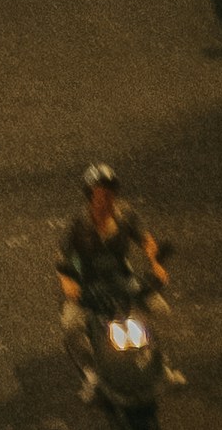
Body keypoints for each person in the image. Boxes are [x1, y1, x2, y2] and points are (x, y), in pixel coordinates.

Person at [58, 163, 179, 389]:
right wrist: (68, 282)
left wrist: (155, 263)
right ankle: (90, 373)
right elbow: (62, 256)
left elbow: (146, 240)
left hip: (120, 278)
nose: (106, 199)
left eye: (110, 193)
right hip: (88, 282)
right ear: (90, 196)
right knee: (71, 325)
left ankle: (161, 364)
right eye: (100, 194)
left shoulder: (125, 215)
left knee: (160, 310)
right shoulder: (77, 224)